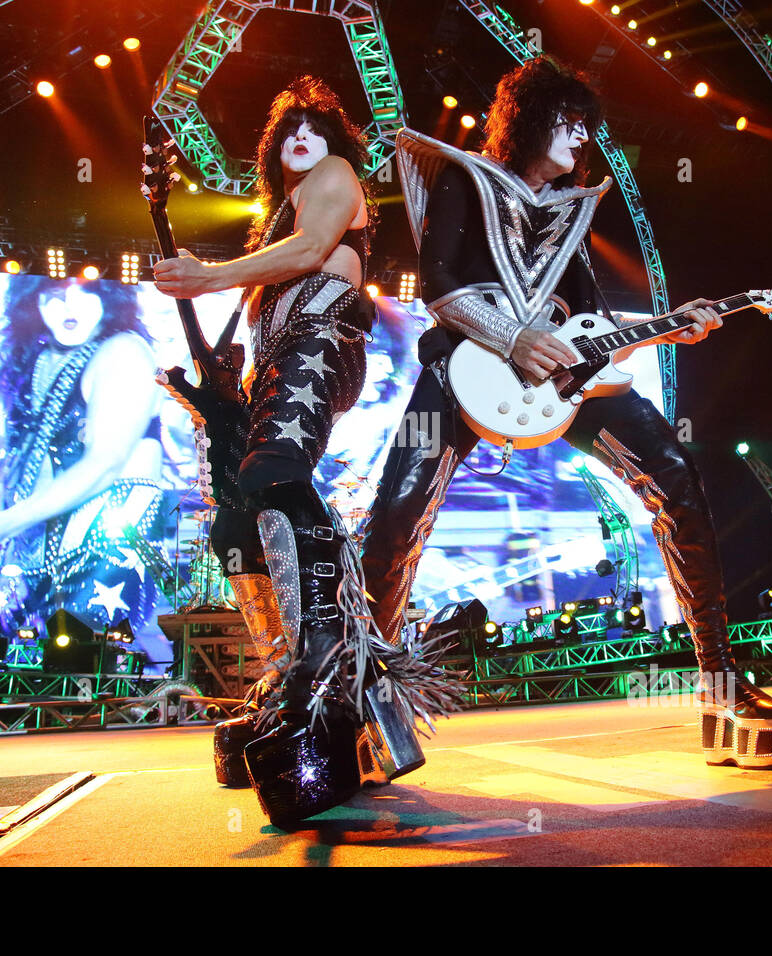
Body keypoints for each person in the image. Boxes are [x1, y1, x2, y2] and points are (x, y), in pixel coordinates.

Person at [358, 56, 772, 770]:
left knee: (677, 480)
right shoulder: (464, 177)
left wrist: (670, 324)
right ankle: (364, 701)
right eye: (569, 121)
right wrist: (511, 336)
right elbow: (437, 282)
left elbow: (589, 315)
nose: (580, 139)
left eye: (587, 127)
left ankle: (722, 687)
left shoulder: (572, 207)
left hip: (568, 380)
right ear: (529, 116)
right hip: (466, 366)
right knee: (397, 513)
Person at [154, 76, 457, 826]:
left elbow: (318, 248)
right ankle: (285, 671)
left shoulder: (333, 180)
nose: (300, 133)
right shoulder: (276, 219)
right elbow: (287, 259)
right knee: (239, 521)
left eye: (315, 125)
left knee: (278, 478)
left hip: (321, 340)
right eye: (286, 125)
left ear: (338, 145)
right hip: (282, 357)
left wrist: (211, 275)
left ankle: (328, 669)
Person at [0, 276, 166, 637]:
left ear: (108, 299)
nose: (68, 308)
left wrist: (3, 524)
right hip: (33, 552)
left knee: (84, 666)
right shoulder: (37, 359)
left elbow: (105, 463)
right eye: (53, 297)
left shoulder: (124, 351)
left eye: (84, 295)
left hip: (101, 546)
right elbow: (20, 459)